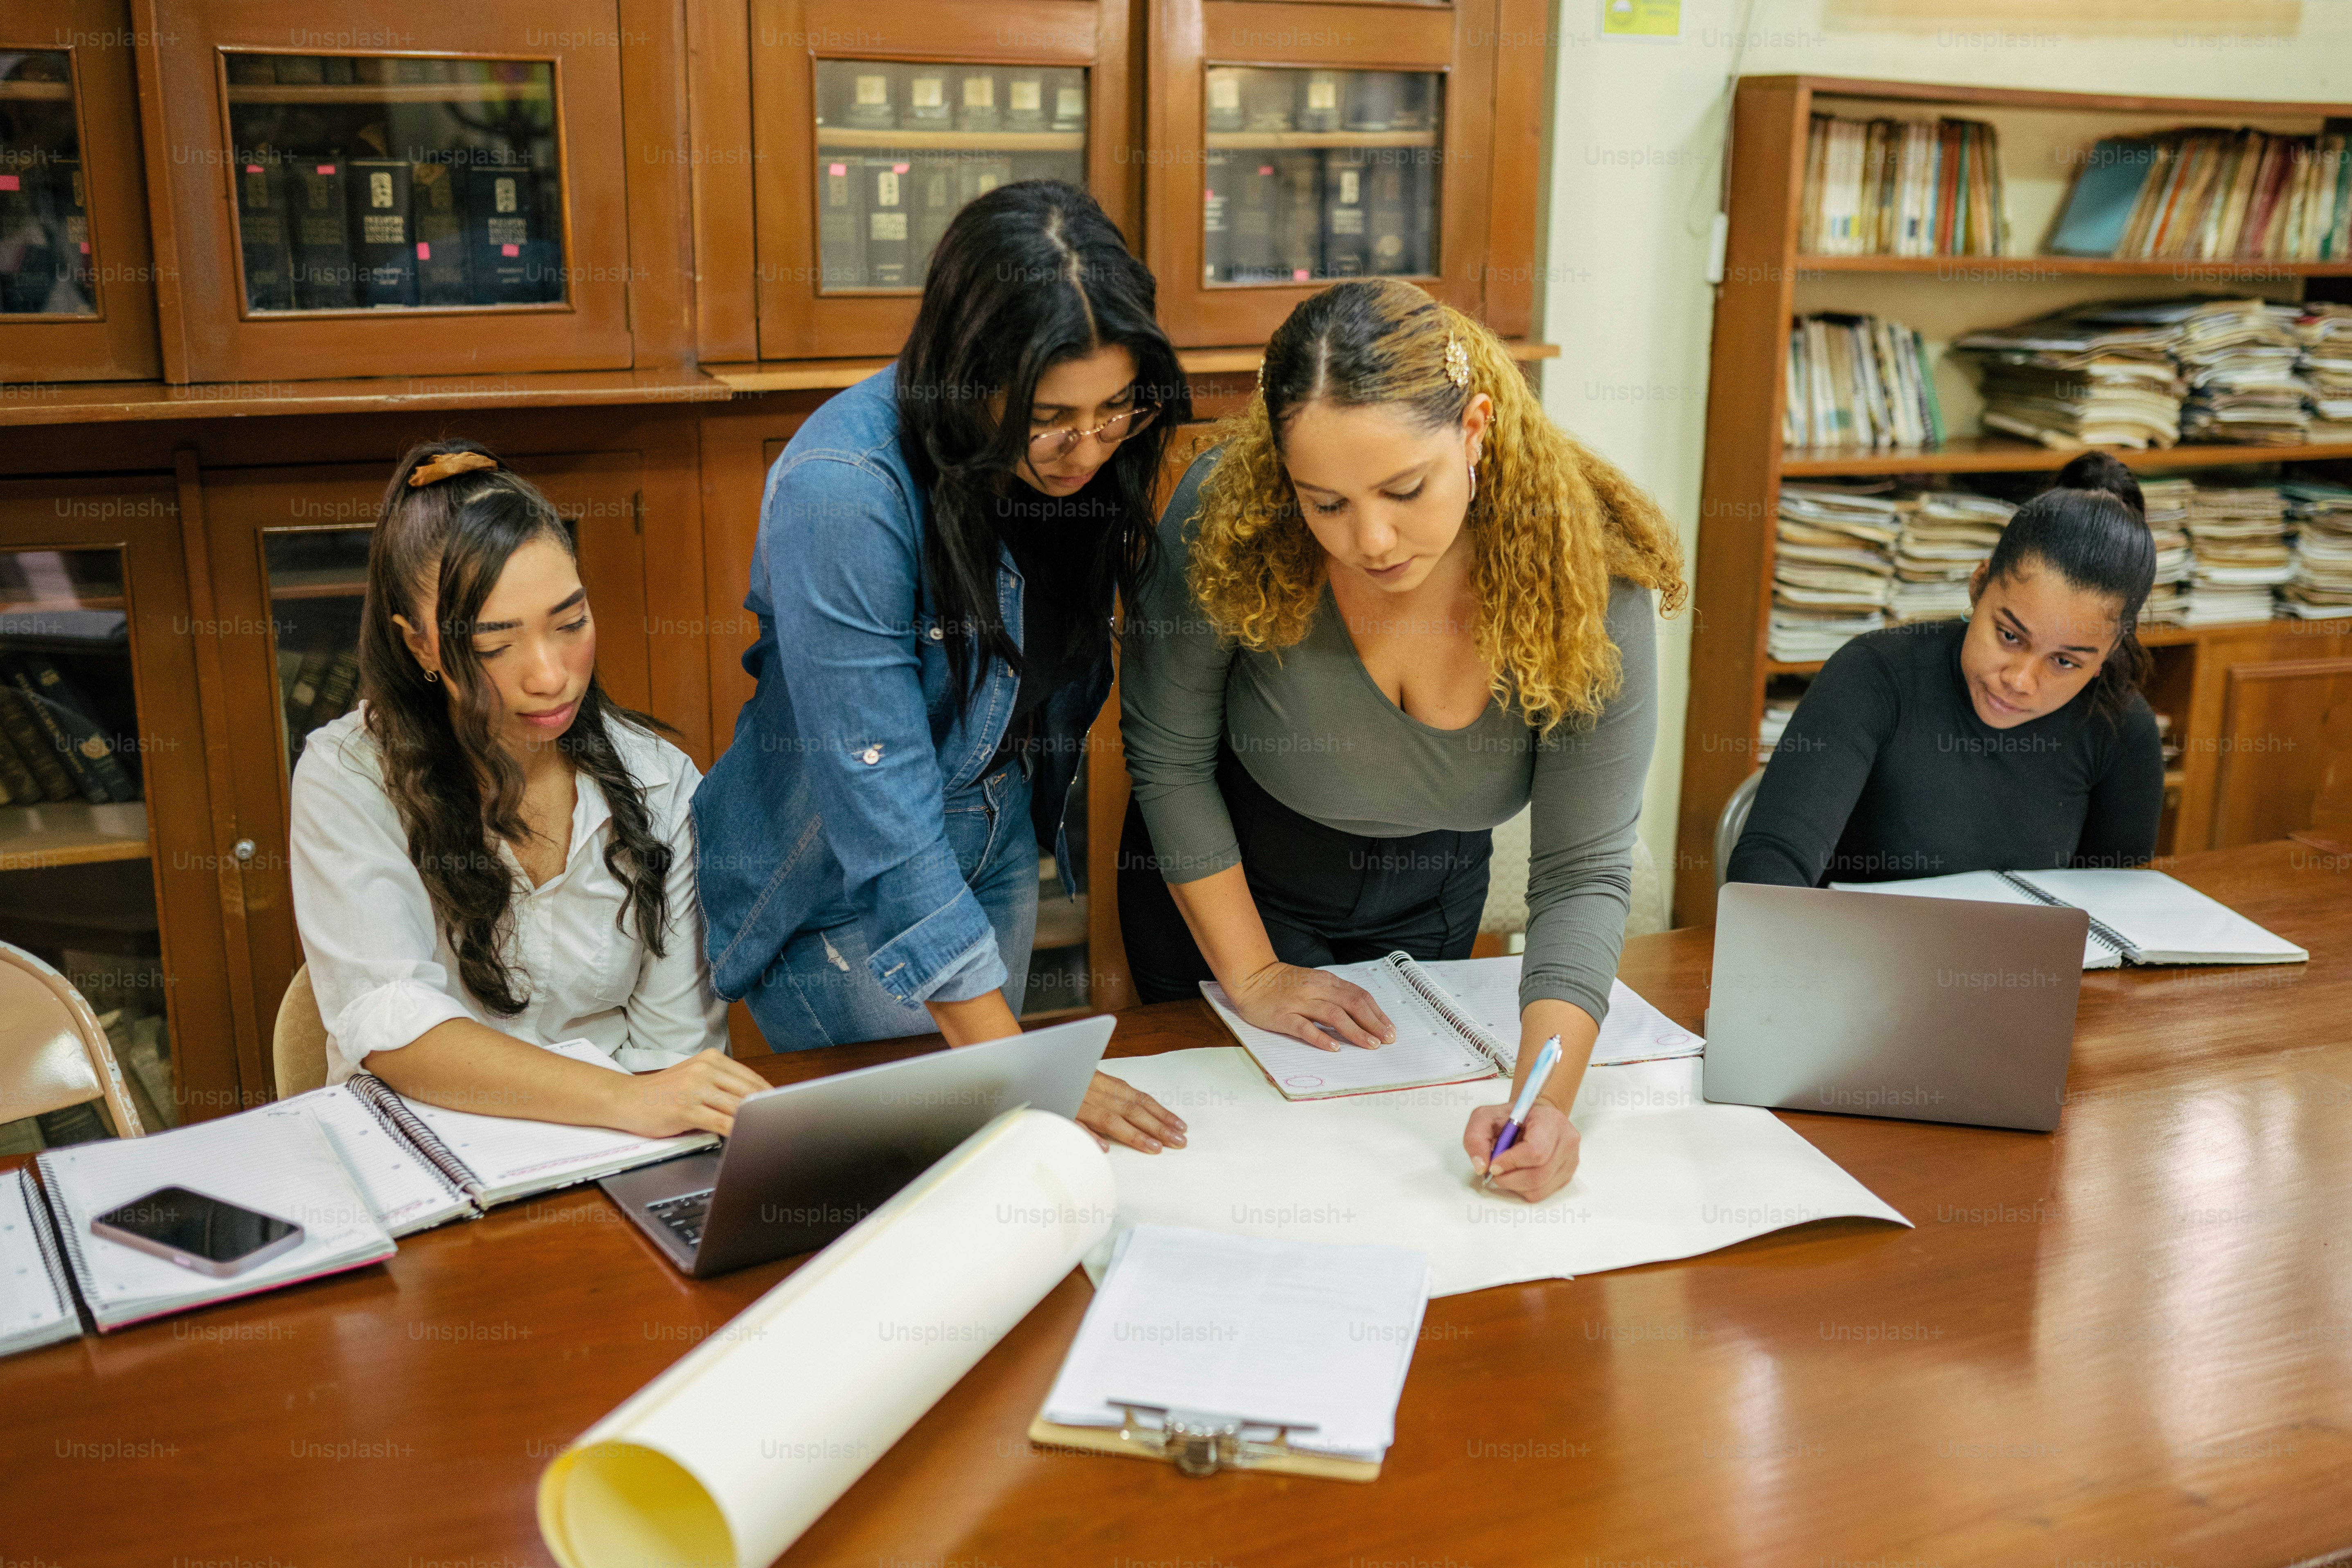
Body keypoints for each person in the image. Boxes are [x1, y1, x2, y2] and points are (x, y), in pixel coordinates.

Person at [1117, 278, 1687, 1203]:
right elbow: (1167, 755)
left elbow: (1582, 868)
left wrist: (1546, 1102)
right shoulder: (1228, 514)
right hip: (1224, 887)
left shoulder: (1588, 569)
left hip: (1430, 896)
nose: (1371, 539)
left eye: (1404, 489)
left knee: (1391, 1190)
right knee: (1232, 1190)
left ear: (1475, 427)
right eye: (1324, 503)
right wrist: (1255, 972)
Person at [692, 180, 1189, 1155]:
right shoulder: (844, 490)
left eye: (1113, 407)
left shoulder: (1090, 457)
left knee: (990, 1152)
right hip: (840, 879)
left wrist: (1017, 1074)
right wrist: (1027, 1070)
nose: (1085, 447)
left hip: (991, 830)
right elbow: (880, 812)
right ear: (969, 374)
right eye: (1048, 415)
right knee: (931, 1163)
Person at [290, 440, 761, 1136]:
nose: (549, 675)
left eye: (570, 623)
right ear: (419, 645)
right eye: (493, 644)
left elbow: (674, 1052)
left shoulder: (659, 784)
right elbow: (394, 1025)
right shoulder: (349, 774)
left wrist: (649, 1106)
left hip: (616, 1151)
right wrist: (627, 1102)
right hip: (429, 1150)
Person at [1727, 451, 2163, 890]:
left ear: (2106, 655)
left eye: (2065, 661)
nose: (2019, 680)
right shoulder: (1873, 677)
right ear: (1978, 585)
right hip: (1850, 954)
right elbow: (1768, 868)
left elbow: (2116, 914)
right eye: (2010, 635)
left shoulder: (2122, 730)